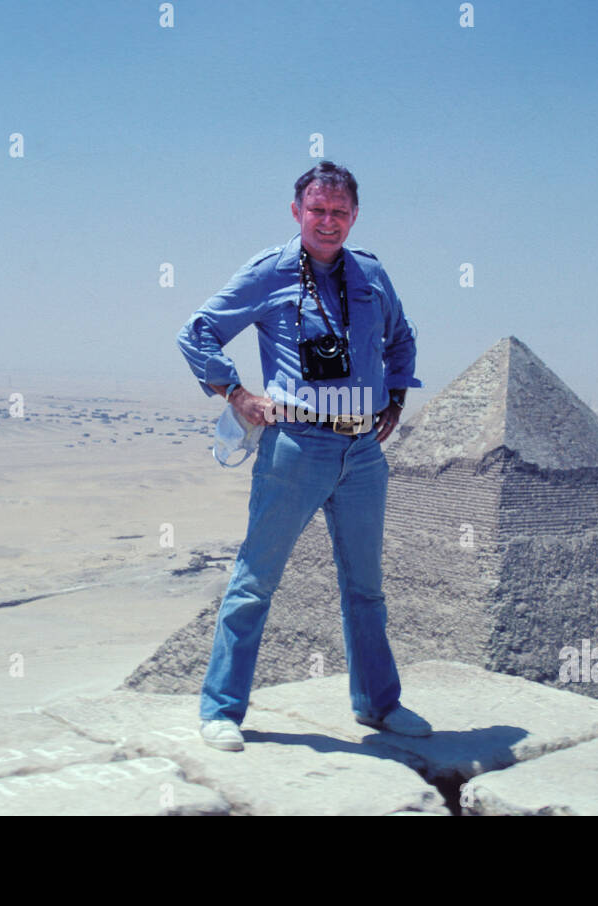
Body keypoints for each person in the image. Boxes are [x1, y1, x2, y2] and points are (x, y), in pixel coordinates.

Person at [176, 161, 432, 751]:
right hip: (296, 446)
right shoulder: (269, 272)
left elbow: (402, 336)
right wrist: (236, 393)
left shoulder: (370, 273)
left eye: (339, 212)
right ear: (297, 213)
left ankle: (378, 703)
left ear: (355, 215)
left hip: (362, 451)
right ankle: (221, 711)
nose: (328, 221)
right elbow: (197, 330)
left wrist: (394, 395)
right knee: (256, 580)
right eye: (317, 210)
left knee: (366, 587)